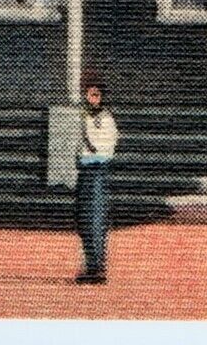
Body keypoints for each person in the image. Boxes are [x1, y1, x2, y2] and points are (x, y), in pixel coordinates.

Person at [74, 77, 118, 284]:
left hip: (98, 170)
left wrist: (93, 152)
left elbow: (107, 146)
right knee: (83, 217)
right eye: (89, 94)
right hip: (84, 170)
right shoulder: (82, 116)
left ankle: (98, 266)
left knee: (96, 218)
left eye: (96, 94)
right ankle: (91, 263)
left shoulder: (106, 118)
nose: (92, 98)